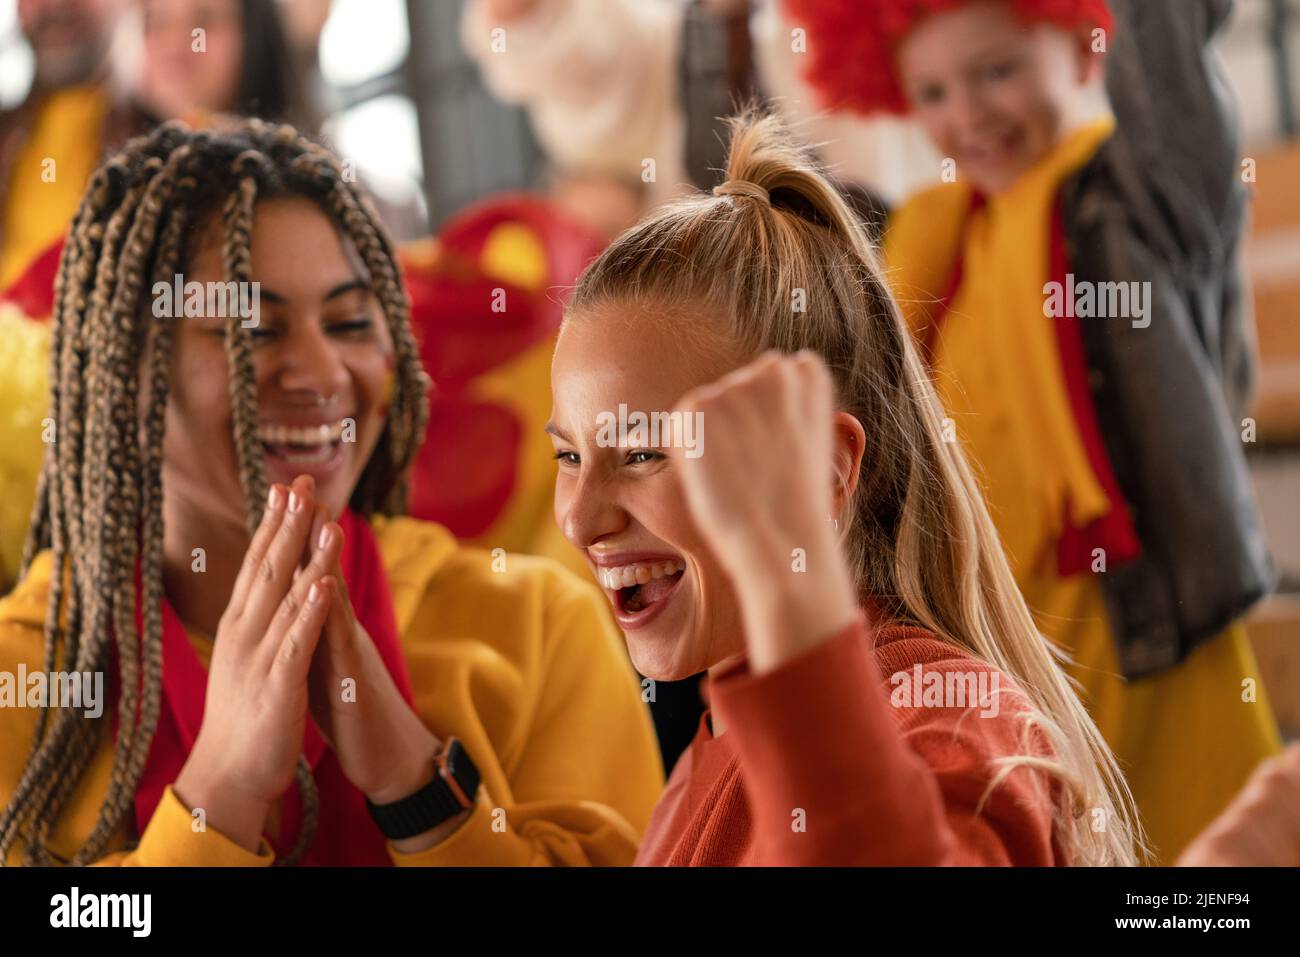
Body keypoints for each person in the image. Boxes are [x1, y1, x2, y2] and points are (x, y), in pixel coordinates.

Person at [0, 118, 662, 865]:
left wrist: (416, 786)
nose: (320, 373)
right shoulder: (22, 674)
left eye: (350, 322)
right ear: (124, 377)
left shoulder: (535, 625)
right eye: (251, 328)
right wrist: (221, 790)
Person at [548, 109, 1141, 865]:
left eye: (641, 454)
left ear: (823, 471)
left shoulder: (953, 723)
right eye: (568, 456)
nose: (579, 519)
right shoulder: (706, 756)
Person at [785, 0, 1282, 862]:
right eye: (932, 90)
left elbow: (1168, 77)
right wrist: (713, 26)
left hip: (1149, 624)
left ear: (1085, 44)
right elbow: (762, 204)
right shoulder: (924, 247)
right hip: (1006, 641)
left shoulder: (1136, 204)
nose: (969, 113)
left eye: (998, 71)